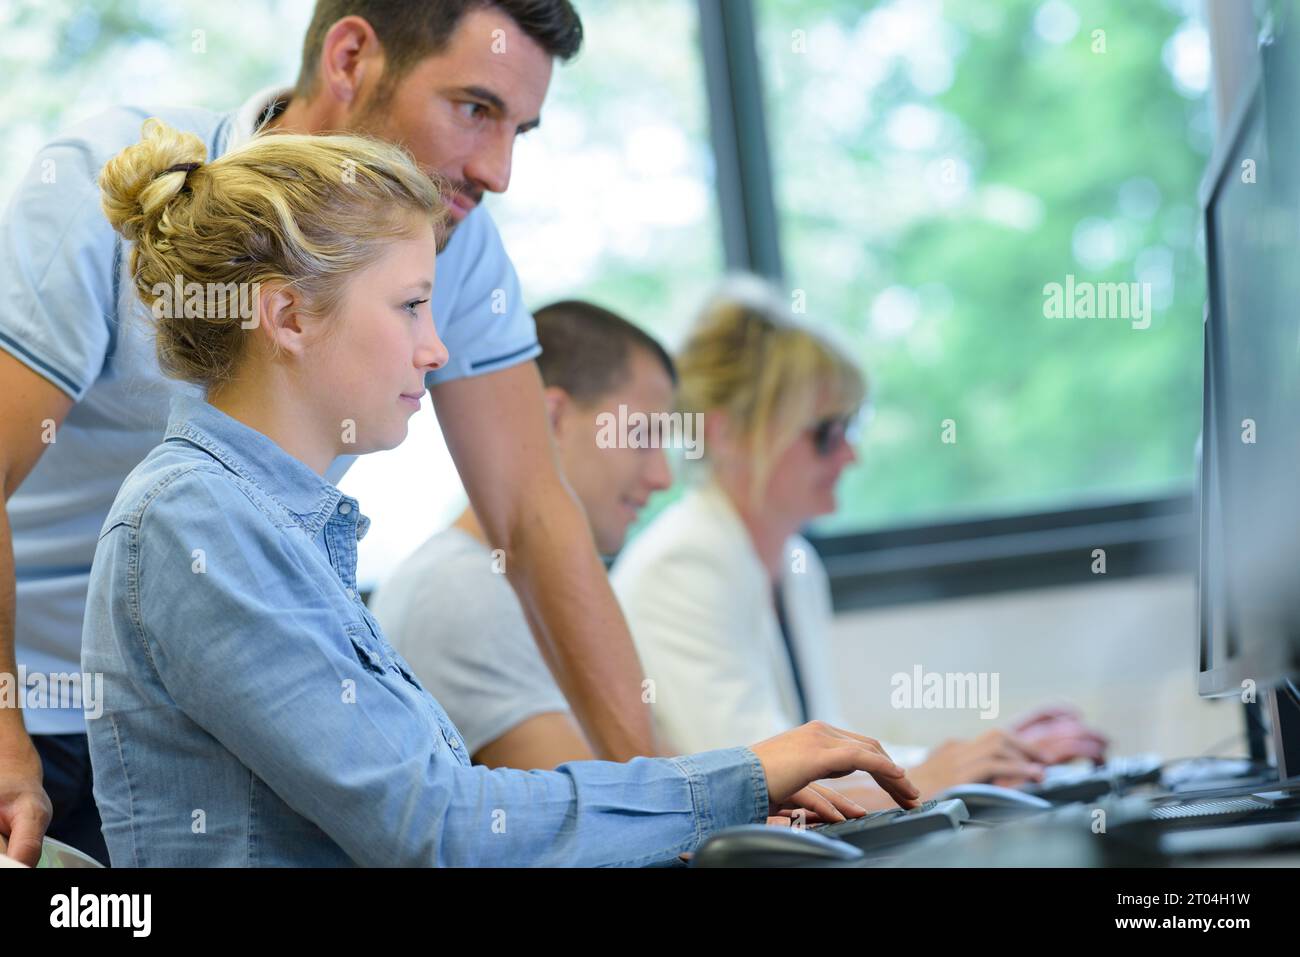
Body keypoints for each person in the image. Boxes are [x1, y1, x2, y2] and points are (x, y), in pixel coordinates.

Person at [82, 119, 916, 866]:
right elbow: (437, 826)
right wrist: (741, 780)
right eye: (410, 306)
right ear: (289, 318)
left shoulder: (264, 521)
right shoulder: (195, 522)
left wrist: (735, 794)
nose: (436, 350)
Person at [0, 0, 660, 867]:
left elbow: (536, 514)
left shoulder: (453, 241)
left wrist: (668, 802)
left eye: (521, 132)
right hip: (34, 700)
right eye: (475, 109)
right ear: (351, 56)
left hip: (225, 683)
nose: (498, 171)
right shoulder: (101, 191)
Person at [611, 277, 1109, 807]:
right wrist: (946, 775)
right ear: (727, 433)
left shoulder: (795, 563)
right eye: (827, 432)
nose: (850, 456)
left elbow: (828, 752)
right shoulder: (683, 567)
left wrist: (985, 760)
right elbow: (765, 789)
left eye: (852, 428)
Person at [372, 300, 676, 770]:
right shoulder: (462, 590)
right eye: (642, 436)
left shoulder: (508, 582)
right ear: (553, 418)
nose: (663, 476)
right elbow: (613, 825)